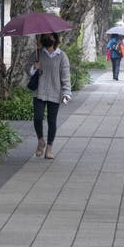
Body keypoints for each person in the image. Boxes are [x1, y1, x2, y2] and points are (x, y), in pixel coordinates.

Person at [27, 32, 71, 160]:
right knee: (37, 117)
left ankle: (50, 147)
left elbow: (65, 76)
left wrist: (66, 92)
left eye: (49, 37)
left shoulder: (62, 56)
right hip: (39, 92)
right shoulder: (37, 54)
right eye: (44, 37)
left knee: (52, 120)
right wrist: (34, 68)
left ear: (55, 39)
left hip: (55, 91)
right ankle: (41, 141)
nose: (47, 39)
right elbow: (27, 70)